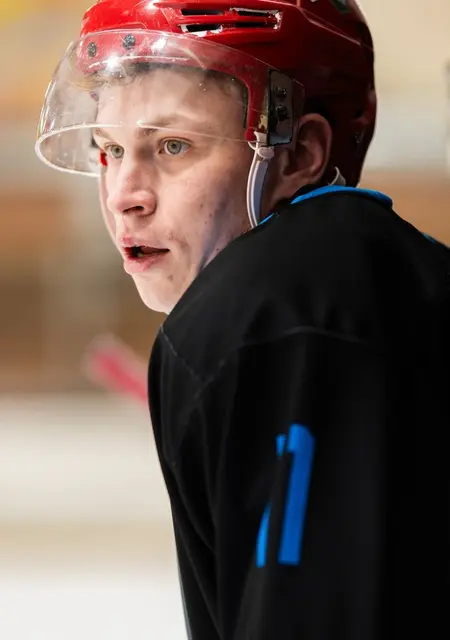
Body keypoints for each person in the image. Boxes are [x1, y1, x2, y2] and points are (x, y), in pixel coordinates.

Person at [36, 0, 449, 638]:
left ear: (299, 153)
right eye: (109, 149)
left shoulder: (272, 311)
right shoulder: (397, 275)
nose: (123, 196)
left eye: (172, 145)